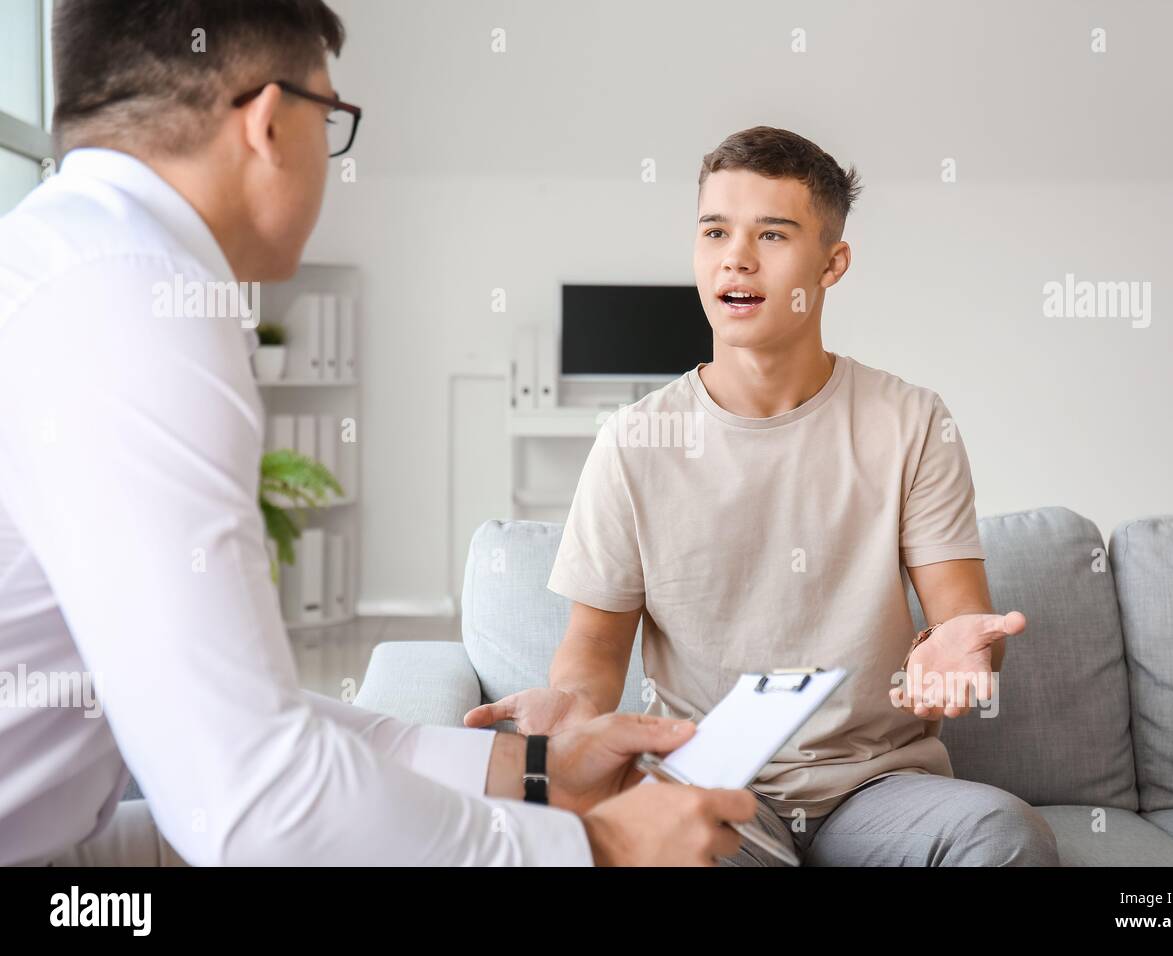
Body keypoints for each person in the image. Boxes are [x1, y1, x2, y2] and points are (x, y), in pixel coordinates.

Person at [0, 0, 755, 867]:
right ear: (269, 122)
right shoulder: (133, 304)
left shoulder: (71, 261)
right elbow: (257, 802)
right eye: (333, 119)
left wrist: (535, 771)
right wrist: (594, 849)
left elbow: (235, 716)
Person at [466, 126, 1060, 867]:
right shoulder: (633, 442)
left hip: (879, 788)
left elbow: (963, 623)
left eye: (772, 234)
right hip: (707, 780)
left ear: (832, 263)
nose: (736, 257)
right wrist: (573, 713)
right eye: (715, 230)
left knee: (1006, 835)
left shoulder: (912, 421)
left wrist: (966, 653)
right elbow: (593, 649)